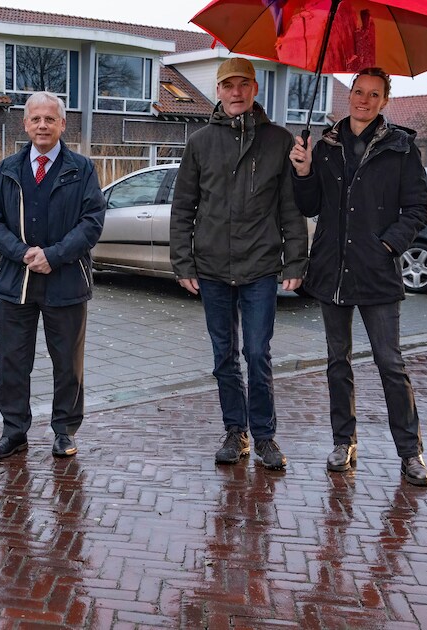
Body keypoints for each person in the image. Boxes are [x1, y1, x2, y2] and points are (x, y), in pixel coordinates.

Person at [288, 67, 427, 486]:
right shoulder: (326, 146)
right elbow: (310, 206)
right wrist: (303, 170)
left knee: (390, 362)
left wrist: (387, 245)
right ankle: (343, 442)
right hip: (332, 270)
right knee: (338, 361)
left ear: (384, 101)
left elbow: (419, 207)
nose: (363, 100)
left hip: (377, 273)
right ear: (349, 94)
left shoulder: (401, 148)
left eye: (373, 94)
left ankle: (410, 453)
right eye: (358, 91)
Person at [170, 58, 309, 469]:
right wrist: (183, 263)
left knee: (258, 353)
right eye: (228, 85)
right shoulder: (200, 143)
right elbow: (183, 208)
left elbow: (290, 209)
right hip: (211, 267)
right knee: (224, 355)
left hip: (260, 267)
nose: (236, 92)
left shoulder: (279, 141)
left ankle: (264, 436)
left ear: (255, 89)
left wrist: (295, 261)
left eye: (243, 84)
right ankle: (236, 432)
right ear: (217, 91)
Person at [0, 91, 106, 460]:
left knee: (67, 363)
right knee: (12, 361)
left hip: (66, 281)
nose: (42, 125)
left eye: (50, 119)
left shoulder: (82, 169)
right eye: (35, 119)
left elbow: (92, 222)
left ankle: (64, 431)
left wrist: (54, 255)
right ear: (25, 124)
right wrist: (22, 253)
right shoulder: (7, 169)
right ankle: (13, 432)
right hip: (15, 282)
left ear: (62, 124)